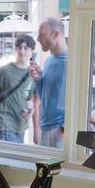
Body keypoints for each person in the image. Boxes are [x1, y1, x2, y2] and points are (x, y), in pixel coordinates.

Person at [0, 34, 36, 144]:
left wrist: (30, 110)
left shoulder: (31, 73)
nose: (22, 51)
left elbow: (27, 96)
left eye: (26, 48)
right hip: (5, 121)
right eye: (19, 47)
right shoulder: (5, 71)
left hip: (21, 123)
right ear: (15, 50)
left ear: (32, 51)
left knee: (17, 154)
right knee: (11, 153)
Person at [29, 17, 67, 150]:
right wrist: (38, 79)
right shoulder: (49, 60)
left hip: (58, 131)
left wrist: (64, 128)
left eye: (42, 35)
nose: (38, 39)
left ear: (56, 34)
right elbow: (44, 96)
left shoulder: (70, 62)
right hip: (46, 127)